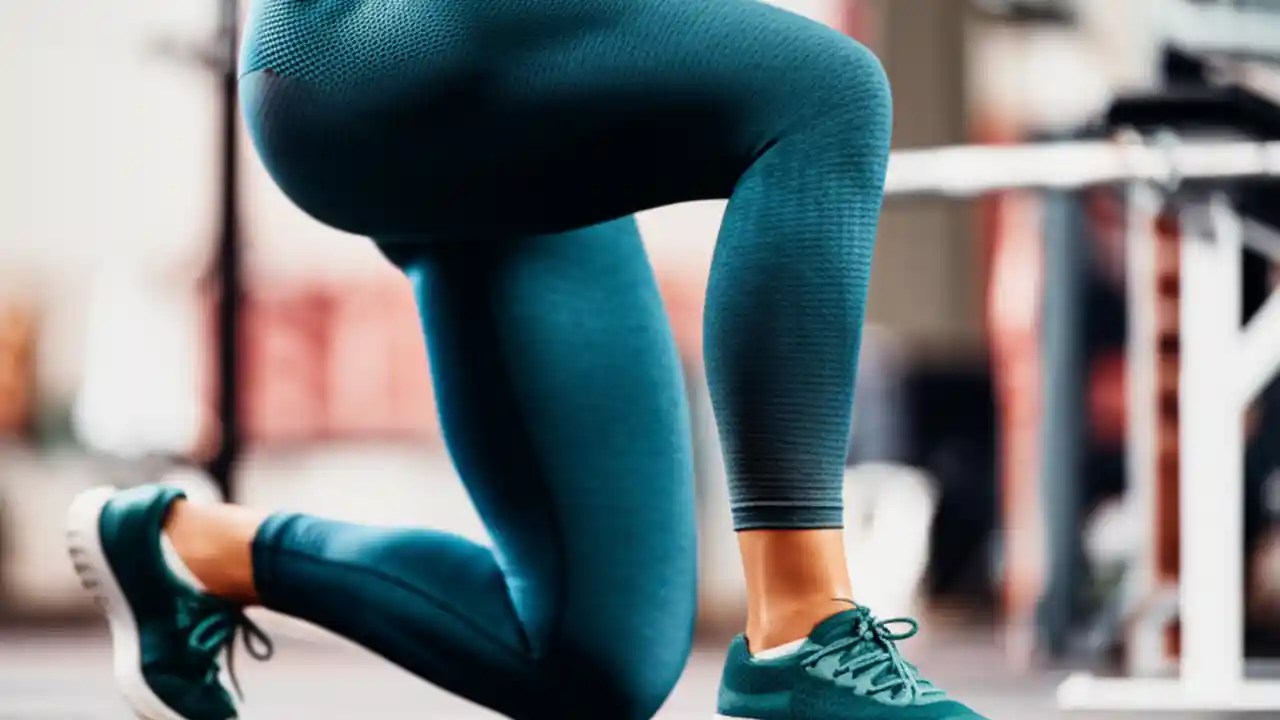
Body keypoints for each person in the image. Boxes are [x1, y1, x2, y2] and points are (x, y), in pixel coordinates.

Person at [66, 1, 986, 718]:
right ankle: (804, 628)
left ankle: (187, 550)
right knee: (826, 94)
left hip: (504, 114)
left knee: (594, 661)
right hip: (367, 43)